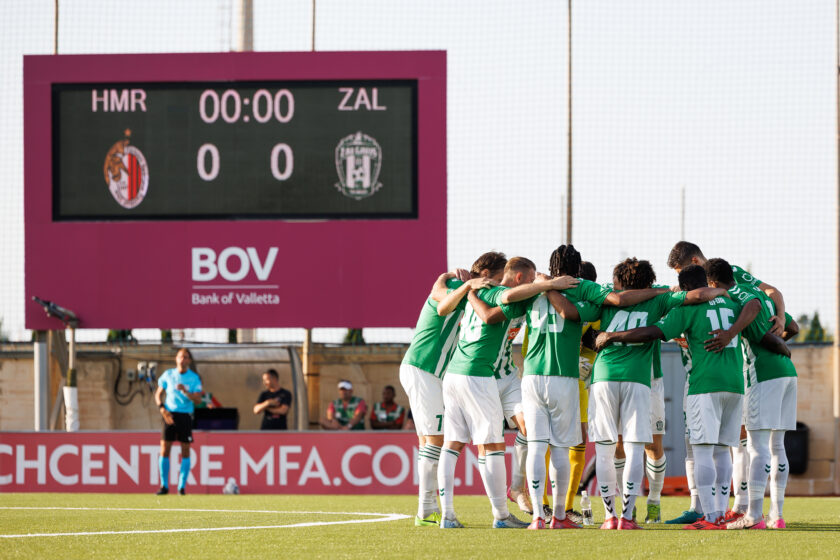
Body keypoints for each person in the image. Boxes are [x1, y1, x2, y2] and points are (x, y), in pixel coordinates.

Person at [594, 264, 779, 529]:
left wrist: (613, 336)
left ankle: (711, 517)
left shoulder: (687, 309)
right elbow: (756, 306)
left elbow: (652, 333)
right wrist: (731, 332)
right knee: (723, 451)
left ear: (684, 288)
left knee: (702, 451)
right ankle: (722, 511)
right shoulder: (732, 302)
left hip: (704, 385)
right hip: (736, 384)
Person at [588, 259, 727, 530]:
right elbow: (700, 294)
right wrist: (723, 291)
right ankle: (627, 518)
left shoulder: (608, 297)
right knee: (634, 448)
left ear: (620, 280)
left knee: (605, 450)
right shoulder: (660, 299)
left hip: (603, 376)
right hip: (638, 379)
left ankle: (609, 517)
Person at [400, 252, 506, 527]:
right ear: (486, 276)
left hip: (431, 372)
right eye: (499, 277)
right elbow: (440, 304)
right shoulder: (458, 290)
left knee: (429, 441)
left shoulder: (469, 293)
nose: (501, 284)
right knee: (435, 441)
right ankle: (425, 510)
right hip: (424, 368)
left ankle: (429, 508)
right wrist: (466, 286)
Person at [438, 257, 544, 529]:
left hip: (467, 374)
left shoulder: (473, 292)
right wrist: (551, 283)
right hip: (480, 375)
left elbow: (441, 303)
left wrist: (466, 287)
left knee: (454, 443)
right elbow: (496, 308)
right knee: (493, 445)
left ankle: (448, 515)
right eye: (530, 279)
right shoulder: (498, 292)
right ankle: (501, 515)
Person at [701, 259, 796, 530]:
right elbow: (795, 327)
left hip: (763, 374)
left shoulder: (735, 297)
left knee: (757, 446)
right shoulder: (759, 293)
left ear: (712, 283)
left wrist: (734, 333)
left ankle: (754, 516)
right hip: (787, 373)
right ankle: (776, 516)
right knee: (778, 446)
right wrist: (780, 339)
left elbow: (752, 310)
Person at [154, 347, 203, 495]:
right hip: (169, 414)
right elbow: (158, 394)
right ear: (176, 358)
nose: (183, 359)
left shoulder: (194, 378)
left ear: (189, 360)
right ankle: (164, 486)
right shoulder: (168, 375)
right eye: (181, 356)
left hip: (185, 415)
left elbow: (198, 399)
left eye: (186, 357)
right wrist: (162, 408)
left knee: (185, 449)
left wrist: (185, 392)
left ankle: (182, 487)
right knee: (165, 449)